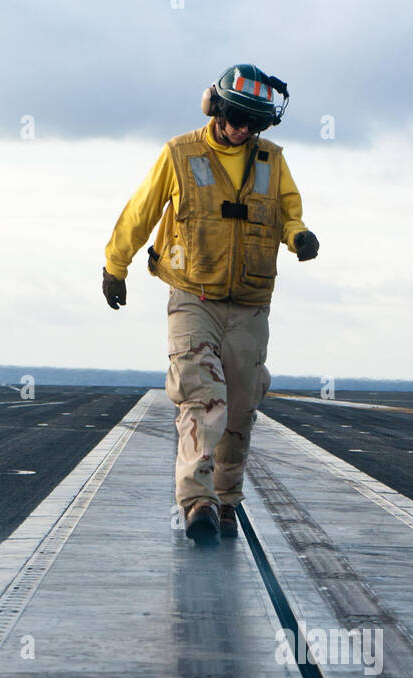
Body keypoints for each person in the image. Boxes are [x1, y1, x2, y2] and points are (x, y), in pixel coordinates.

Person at [102, 63, 319, 543]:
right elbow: (141, 211)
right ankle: (196, 500)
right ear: (217, 108)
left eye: (253, 123)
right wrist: (115, 266)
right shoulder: (179, 154)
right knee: (203, 398)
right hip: (193, 297)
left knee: (240, 408)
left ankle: (225, 500)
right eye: (237, 117)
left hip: (249, 303)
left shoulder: (271, 160)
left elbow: (288, 209)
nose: (243, 129)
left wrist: (299, 235)